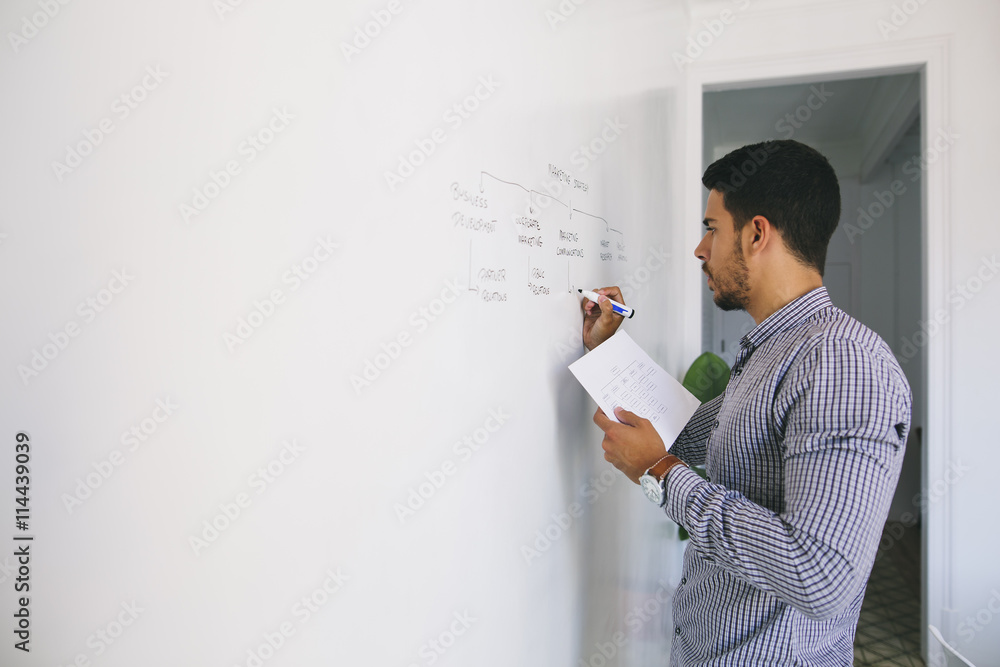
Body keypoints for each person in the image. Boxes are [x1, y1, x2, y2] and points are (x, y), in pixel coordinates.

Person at [582, 140, 912, 665]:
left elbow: (818, 572)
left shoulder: (844, 363)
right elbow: (685, 426)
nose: (699, 249)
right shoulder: (775, 350)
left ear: (757, 234)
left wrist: (660, 472)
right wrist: (608, 348)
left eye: (712, 229)